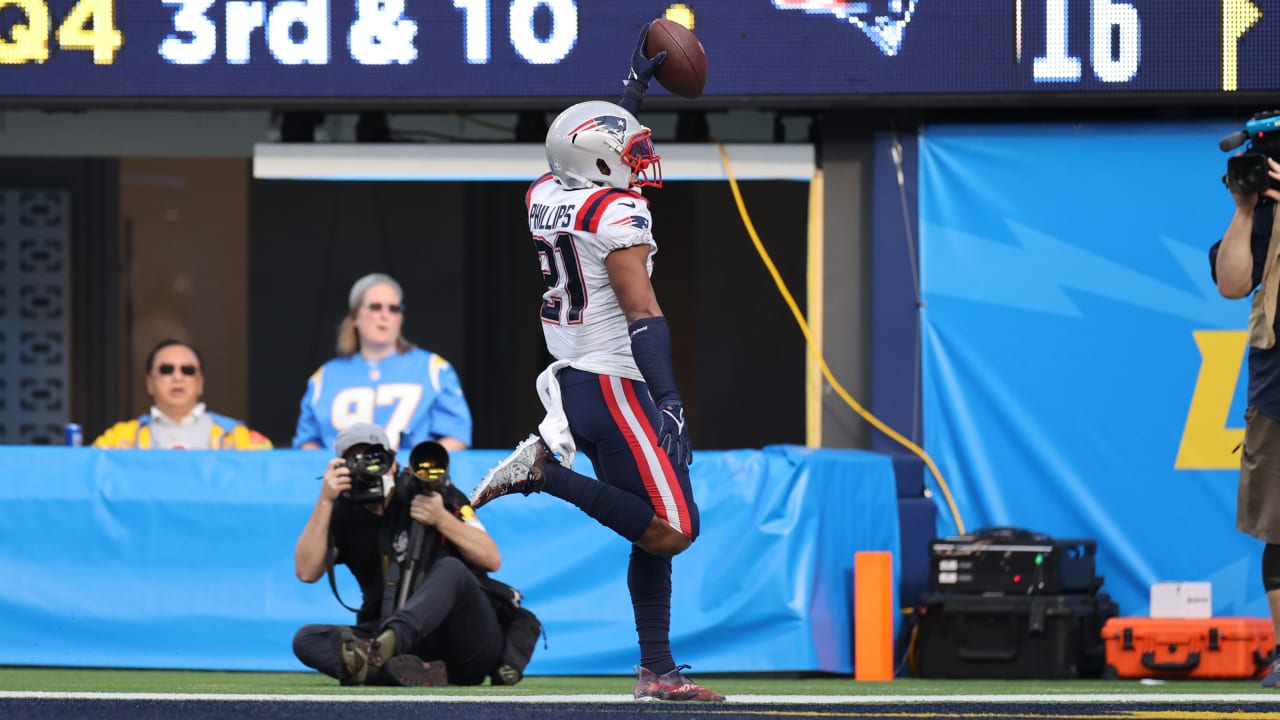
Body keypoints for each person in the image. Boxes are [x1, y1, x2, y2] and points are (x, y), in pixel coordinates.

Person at [467, 21, 723, 703]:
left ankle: (657, 670)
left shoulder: (546, 194)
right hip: (615, 382)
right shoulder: (618, 216)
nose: (641, 159)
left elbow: (585, 154)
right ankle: (545, 473)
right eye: (631, 152)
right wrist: (669, 397)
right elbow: (643, 314)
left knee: (647, 527)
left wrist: (631, 91)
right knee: (673, 530)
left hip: (581, 378)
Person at [291, 422, 506, 687]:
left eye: (374, 458)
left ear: (393, 463)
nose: (368, 468)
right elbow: (306, 571)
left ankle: (377, 660)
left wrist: (442, 520)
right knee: (306, 639)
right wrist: (325, 501)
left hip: (461, 641)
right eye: (355, 461)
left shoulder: (432, 492)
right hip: (394, 637)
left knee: (452, 569)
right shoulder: (343, 513)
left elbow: (492, 558)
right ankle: (400, 670)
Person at [1210, 155, 1280, 688]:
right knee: (1278, 525)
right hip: (1275, 380)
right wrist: (1244, 208)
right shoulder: (1263, 215)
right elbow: (1232, 285)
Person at [293, 272, 473, 453]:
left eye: (394, 309)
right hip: (343, 479)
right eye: (375, 307)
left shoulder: (433, 369)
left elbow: (457, 435)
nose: (385, 315)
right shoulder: (324, 377)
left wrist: (418, 469)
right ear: (355, 317)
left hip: (411, 479)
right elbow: (307, 444)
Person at [92, 338, 272, 449]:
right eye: (166, 370)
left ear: (201, 382)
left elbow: (271, 473)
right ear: (149, 383)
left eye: (188, 370)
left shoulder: (236, 437)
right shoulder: (120, 439)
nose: (177, 377)